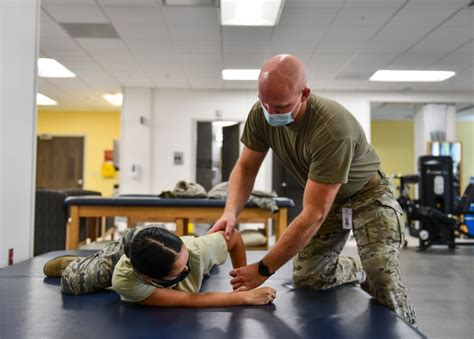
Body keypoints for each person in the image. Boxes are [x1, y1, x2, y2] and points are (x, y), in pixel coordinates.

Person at [208, 54, 416, 325]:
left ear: (304, 94)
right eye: (265, 103)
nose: (271, 112)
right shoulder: (262, 113)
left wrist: (263, 269)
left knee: (381, 273)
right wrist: (230, 212)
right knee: (309, 277)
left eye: (280, 106)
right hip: (329, 198)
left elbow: (314, 213)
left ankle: (405, 323)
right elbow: (246, 168)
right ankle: (356, 268)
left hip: (368, 195)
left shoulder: (332, 129)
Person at [43, 225, 276, 307]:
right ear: (148, 279)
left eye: (186, 263)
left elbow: (233, 237)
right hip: (125, 256)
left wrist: (242, 284)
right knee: (74, 282)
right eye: (180, 272)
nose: (187, 270)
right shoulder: (126, 280)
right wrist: (244, 298)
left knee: (194, 258)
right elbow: (187, 300)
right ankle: (77, 263)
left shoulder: (194, 250)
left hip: (154, 240)